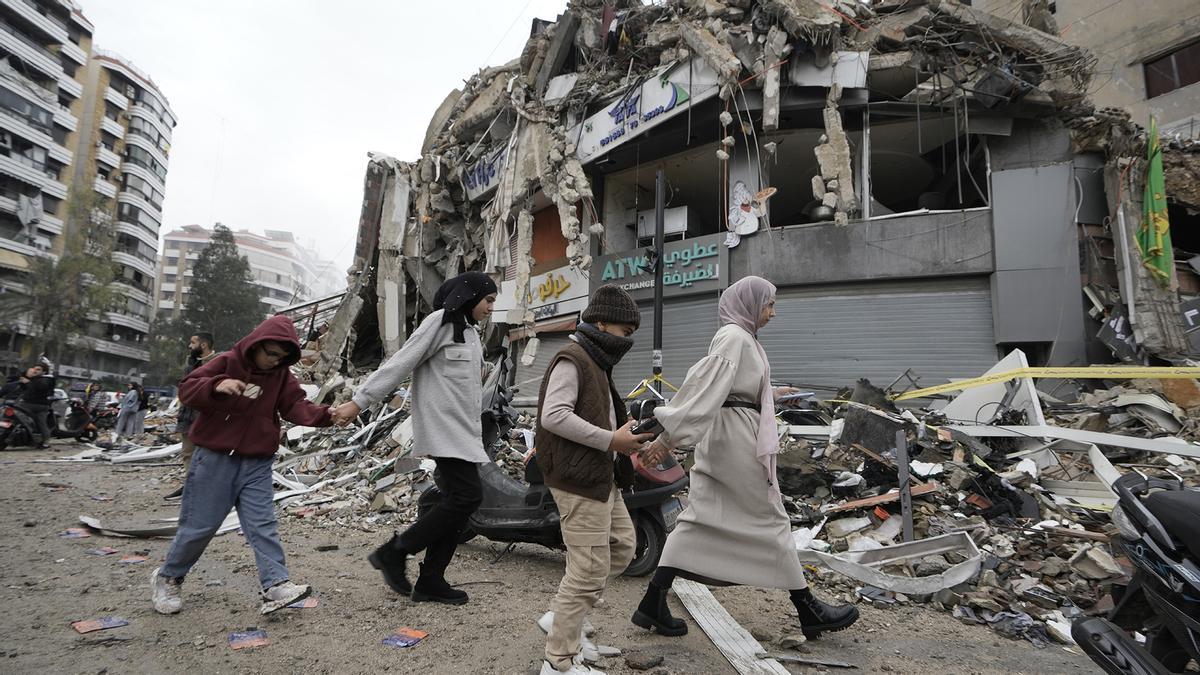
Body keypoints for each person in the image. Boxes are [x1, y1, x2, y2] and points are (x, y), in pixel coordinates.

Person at [631, 276, 859, 640]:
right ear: (750, 304)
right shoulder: (734, 337)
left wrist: (774, 392)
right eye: (768, 304)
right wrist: (667, 438)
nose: (772, 312)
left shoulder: (744, 339)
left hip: (734, 434)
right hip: (735, 440)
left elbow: (734, 387)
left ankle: (652, 602)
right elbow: (705, 388)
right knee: (770, 516)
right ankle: (807, 607)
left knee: (702, 516)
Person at [331, 272, 497, 605]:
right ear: (469, 295)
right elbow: (400, 363)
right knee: (467, 497)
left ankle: (431, 580)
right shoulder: (440, 322)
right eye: (489, 300)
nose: (491, 307)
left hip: (465, 432)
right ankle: (395, 552)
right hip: (443, 430)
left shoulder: (471, 334)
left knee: (455, 505)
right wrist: (359, 400)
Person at [150, 315, 333, 616]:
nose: (275, 361)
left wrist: (328, 415)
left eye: (282, 357)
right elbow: (188, 389)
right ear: (257, 345)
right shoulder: (225, 362)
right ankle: (168, 577)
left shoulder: (282, 376)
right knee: (199, 527)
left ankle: (275, 586)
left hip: (257, 462)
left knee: (262, 525)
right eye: (271, 353)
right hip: (214, 458)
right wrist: (217, 385)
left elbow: (296, 406)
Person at [536, 285, 653, 675]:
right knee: (586, 570)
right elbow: (554, 415)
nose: (628, 341)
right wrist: (611, 439)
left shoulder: (597, 360)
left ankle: (564, 619)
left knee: (621, 547)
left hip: (601, 474)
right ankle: (559, 662)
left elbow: (593, 415)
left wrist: (623, 432)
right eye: (624, 332)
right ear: (601, 323)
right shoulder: (573, 358)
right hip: (577, 477)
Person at [165, 332, 218, 500]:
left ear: (203, 345)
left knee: (207, 455)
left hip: (206, 417)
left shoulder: (218, 362)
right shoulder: (191, 364)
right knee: (188, 453)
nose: (189, 346)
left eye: (193, 342)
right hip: (187, 415)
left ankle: (207, 489)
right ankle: (191, 487)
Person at [17, 360, 54, 449]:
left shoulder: (46, 379)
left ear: (44, 372)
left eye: (38, 369)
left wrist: (28, 382)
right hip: (28, 403)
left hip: (38, 405)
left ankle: (46, 442)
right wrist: (25, 376)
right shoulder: (34, 378)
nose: (35, 371)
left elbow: (40, 388)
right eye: (34, 369)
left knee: (42, 424)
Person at [112, 382, 140, 447]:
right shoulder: (138, 392)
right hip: (134, 409)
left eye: (130, 385)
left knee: (121, 421)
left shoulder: (132, 392)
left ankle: (117, 434)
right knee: (131, 422)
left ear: (133, 386)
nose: (128, 386)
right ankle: (128, 435)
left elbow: (128, 400)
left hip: (127, 408)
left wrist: (121, 399)